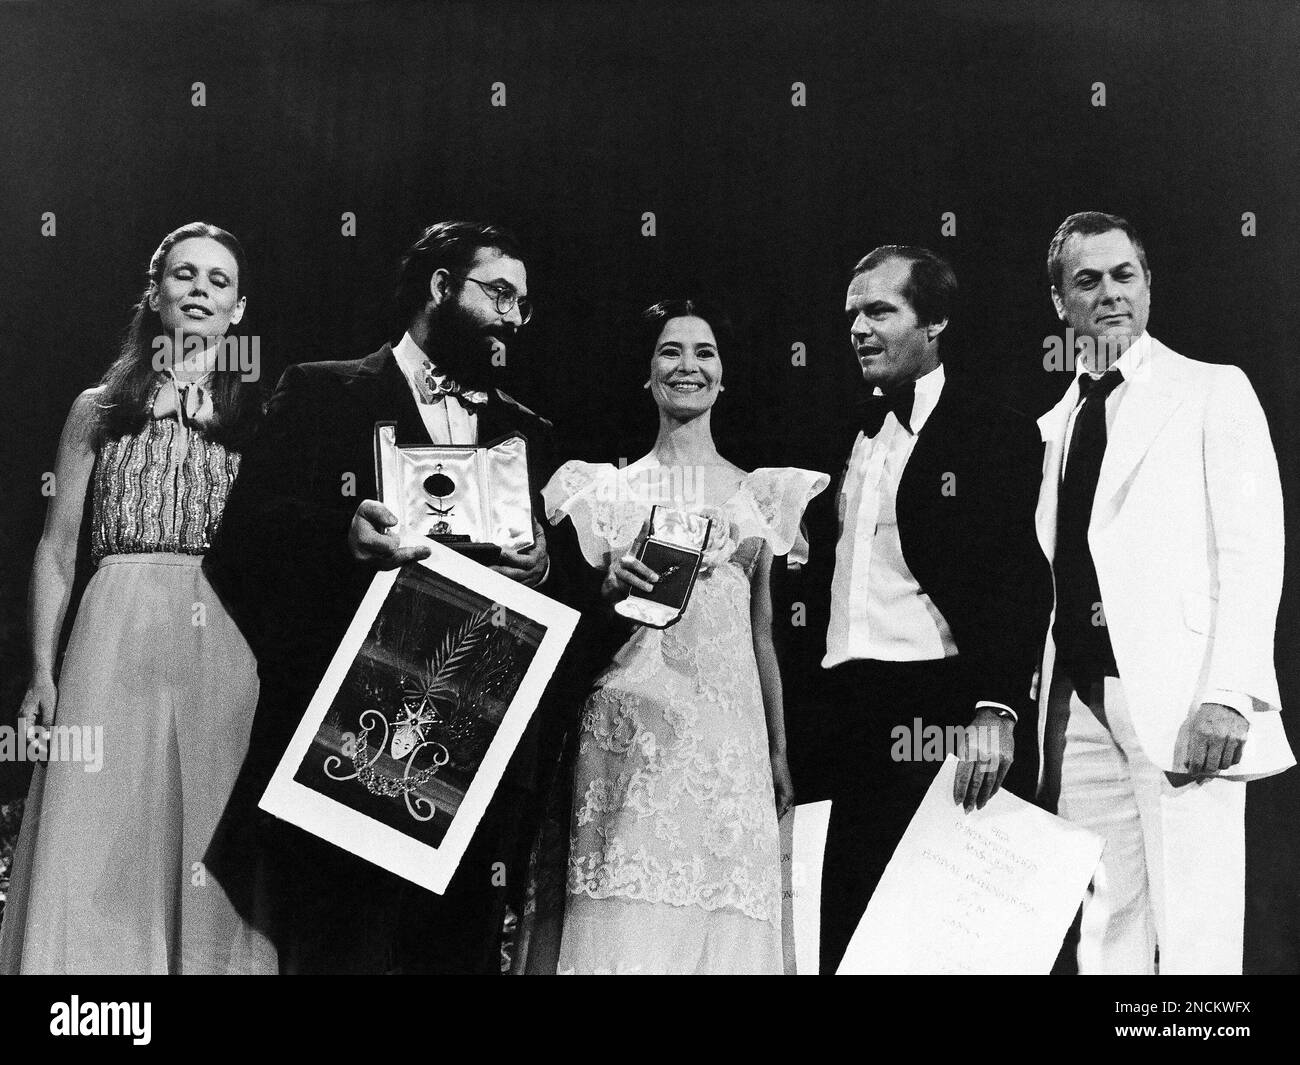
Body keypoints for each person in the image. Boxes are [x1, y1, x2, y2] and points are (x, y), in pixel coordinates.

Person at [206, 220, 563, 974]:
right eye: (499, 293)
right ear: (440, 287)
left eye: (523, 306)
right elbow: (243, 542)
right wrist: (344, 535)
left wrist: (542, 563)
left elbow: (550, 593)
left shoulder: (525, 430)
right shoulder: (320, 391)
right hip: (344, 745)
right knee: (340, 956)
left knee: (457, 958)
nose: (513, 318)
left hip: (471, 756)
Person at [0, 222, 275, 974]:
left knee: (209, 828)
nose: (200, 291)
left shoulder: (261, 416)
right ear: (155, 294)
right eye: (184, 275)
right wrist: (42, 671)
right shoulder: (100, 407)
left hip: (223, 632)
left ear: (239, 309)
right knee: (101, 820)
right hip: (113, 627)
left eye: (218, 281)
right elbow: (57, 548)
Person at [1034, 211, 1294, 974]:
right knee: (1104, 934)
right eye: (1088, 280)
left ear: (1148, 284)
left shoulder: (1213, 389)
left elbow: (1253, 549)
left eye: (1125, 275)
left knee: (1197, 937)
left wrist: (1230, 693)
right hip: (1079, 706)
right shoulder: (1054, 425)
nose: (1110, 293)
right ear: (1060, 303)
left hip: (1185, 706)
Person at [540, 299, 828, 974]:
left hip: (728, 753)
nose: (688, 365)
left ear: (724, 376)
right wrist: (606, 588)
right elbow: (566, 626)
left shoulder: (761, 495)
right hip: (626, 739)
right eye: (671, 351)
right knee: (625, 922)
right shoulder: (600, 492)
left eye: (705, 352)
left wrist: (779, 752)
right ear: (646, 372)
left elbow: (762, 633)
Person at [794, 246, 1051, 974]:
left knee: (939, 943)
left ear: (934, 320)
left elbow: (1017, 578)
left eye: (880, 310)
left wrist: (997, 706)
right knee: (840, 937)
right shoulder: (836, 428)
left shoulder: (994, 430)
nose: (859, 328)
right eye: (851, 314)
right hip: (838, 711)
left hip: (935, 703)